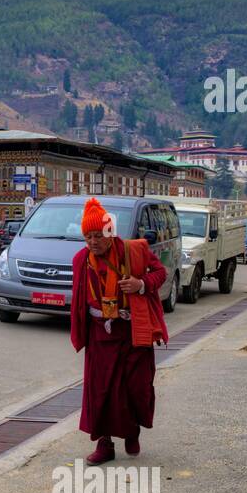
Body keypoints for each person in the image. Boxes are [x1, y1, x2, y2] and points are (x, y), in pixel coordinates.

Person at [69, 197, 169, 466]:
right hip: (100, 334)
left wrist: (140, 284)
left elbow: (161, 272)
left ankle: (132, 431)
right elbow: (79, 297)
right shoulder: (81, 260)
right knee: (100, 390)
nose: (92, 242)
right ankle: (105, 444)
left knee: (135, 386)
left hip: (132, 329)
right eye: (87, 236)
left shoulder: (133, 250)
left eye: (97, 235)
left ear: (109, 232)